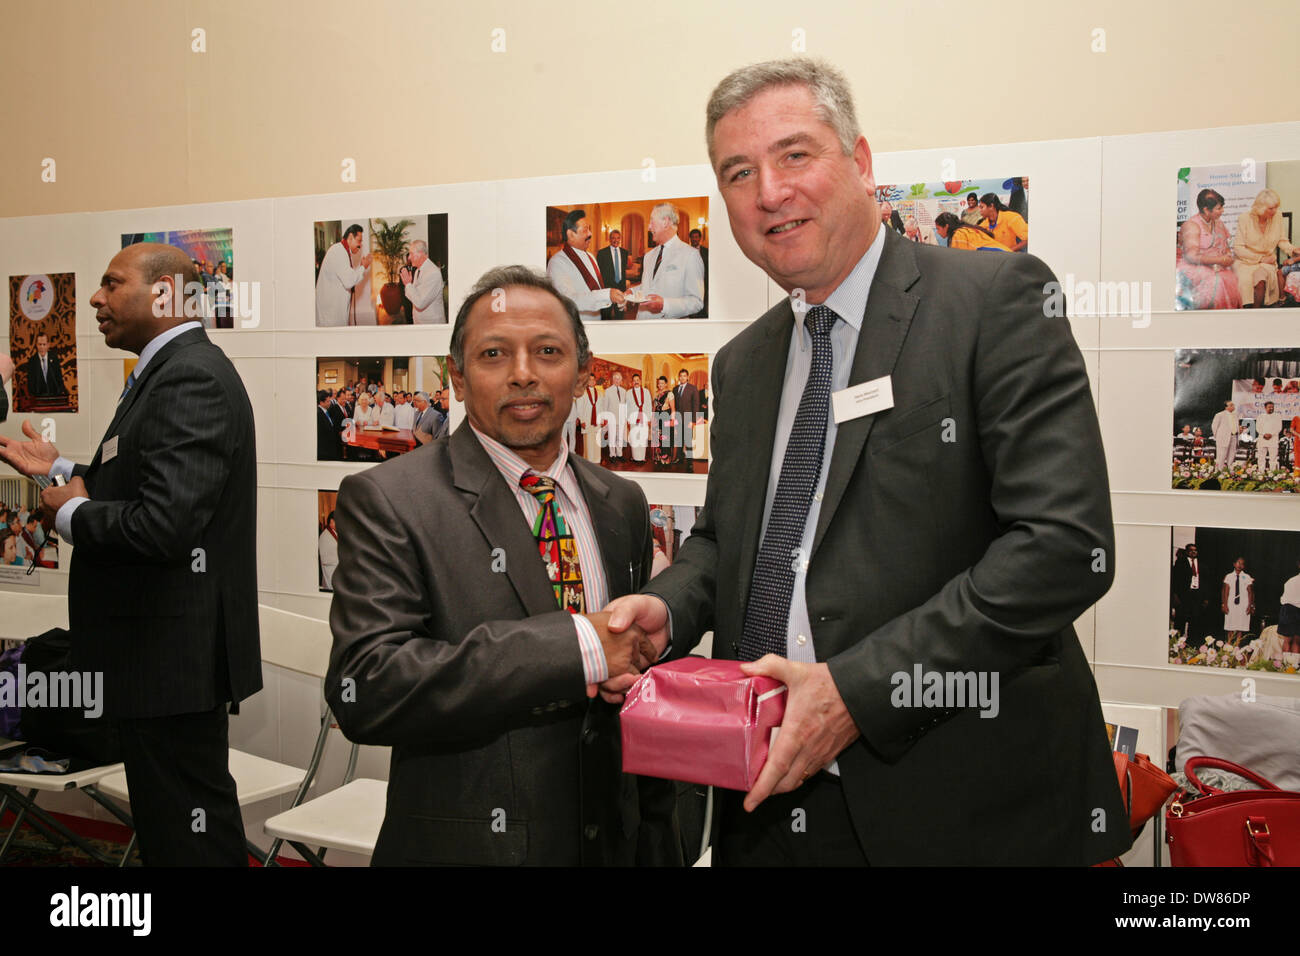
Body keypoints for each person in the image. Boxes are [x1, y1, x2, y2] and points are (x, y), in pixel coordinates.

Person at [600, 57, 1126, 866]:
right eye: (738, 172)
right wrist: (667, 612)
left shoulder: (993, 301)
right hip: (769, 802)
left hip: (965, 805)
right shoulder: (742, 365)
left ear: (863, 162)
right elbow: (724, 542)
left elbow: (1062, 548)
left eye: (795, 155)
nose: (769, 191)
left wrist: (856, 694)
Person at [324, 264, 679, 866]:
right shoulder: (390, 499)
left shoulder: (623, 503)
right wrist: (575, 647)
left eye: (547, 351)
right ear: (458, 379)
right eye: (494, 354)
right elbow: (368, 688)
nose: (523, 374)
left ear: (583, 373)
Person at [0, 243, 260, 865]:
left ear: (166, 293)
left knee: (188, 837)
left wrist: (66, 512)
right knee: (174, 832)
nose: (95, 297)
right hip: (156, 659)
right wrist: (59, 469)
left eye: (112, 283)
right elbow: (138, 480)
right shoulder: (167, 369)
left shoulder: (190, 374)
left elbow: (164, 525)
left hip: (170, 661)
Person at [547, 209, 626, 321]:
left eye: (589, 229)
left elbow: (597, 289)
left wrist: (615, 297)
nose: (590, 233)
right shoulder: (557, 262)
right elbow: (568, 300)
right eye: (585, 230)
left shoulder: (590, 256)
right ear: (571, 234)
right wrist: (607, 295)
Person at [631, 203, 706, 319]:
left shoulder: (690, 255)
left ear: (665, 222)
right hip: (641, 324)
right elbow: (648, 287)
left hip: (669, 331)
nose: (648, 227)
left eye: (651, 222)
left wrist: (664, 305)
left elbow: (696, 302)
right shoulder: (649, 256)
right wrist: (632, 291)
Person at [1176, 188, 1242, 311]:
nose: (1222, 211)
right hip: (1194, 266)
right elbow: (1191, 257)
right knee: (1217, 282)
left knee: (1237, 275)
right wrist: (1219, 260)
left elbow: (1226, 245)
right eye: (1219, 208)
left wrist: (1227, 255)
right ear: (1206, 210)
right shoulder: (1192, 225)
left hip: (1217, 264)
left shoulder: (1218, 223)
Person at [1233, 188, 1299, 308]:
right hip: (1246, 262)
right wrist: (1260, 258)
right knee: (1245, 282)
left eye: (1276, 207)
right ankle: (1247, 312)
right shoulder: (1244, 218)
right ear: (1260, 207)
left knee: (1260, 280)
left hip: (1268, 262)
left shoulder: (1277, 216)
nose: (1274, 211)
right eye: (1271, 208)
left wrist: (1293, 250)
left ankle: (1257, 312)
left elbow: (1282, 240)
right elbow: (1238, 248)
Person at [315, 224, 372, 327]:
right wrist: (363, 267)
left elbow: (348, 275)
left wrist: (361, 267)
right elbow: (349, 281)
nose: (360, 245)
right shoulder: (338, 252)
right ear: (350, 237)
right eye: (359, 241)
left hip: (335, 310)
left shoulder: (343, 251)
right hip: (330, 314)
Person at [400, 239, 446, 324]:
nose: (409, 257)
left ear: (420, 254)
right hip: (420, 322)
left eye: (411, 253)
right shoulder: (418, 270)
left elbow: (420, 303)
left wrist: (408, 284)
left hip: (431, 324)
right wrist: (408, 285)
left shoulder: (433, 273)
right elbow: (413, 295)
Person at [932, 212, 1011, 252]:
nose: (937, 232)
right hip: (1005, 257)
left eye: (938, 229)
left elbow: (960, 262)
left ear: (946, 226)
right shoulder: (966, 230)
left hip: (1001, 260)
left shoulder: (959, 235)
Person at [596, 229, 630, 320]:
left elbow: (623, 270)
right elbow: (598, 272)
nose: (616, 240)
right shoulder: (602, 253)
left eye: (618, 238)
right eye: (613, 238)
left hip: (621, 289)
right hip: (607, 289)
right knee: (605, 316)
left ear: (620, 239)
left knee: (620, 316)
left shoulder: (625, 253)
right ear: (609, 239)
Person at [1171, 543, 1204, 639]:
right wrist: (1175, 595)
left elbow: (1205, 582)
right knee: (1180, 620)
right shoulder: (1180, 562)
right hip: (1184, 596)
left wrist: (1205, 598)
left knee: (1194, 620)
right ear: (1187, 552)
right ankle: (1176, 642)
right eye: (1191, 550)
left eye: (1195, 550)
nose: (1193, 552)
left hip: (1196, 595)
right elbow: (1175, 580)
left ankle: (1191, 643)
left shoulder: (1201, 564)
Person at [1222, 557, 1254, 646]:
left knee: (1240, 627)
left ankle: (1237, 647)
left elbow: (1250, 592)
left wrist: (1250, 605)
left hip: (1243, 605)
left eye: (1242, 564)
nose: (1240, 565)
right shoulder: (1229, 576)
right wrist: (1224, 604)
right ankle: (1229, 646)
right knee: (1230, 626)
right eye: (1238, 563)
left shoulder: (1247, 577)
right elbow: (1225, 592)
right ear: (1234, 564)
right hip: (1231, 604)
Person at [671, 369, 699, 468]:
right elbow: (673, 405)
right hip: (678, 419)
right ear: (679, 377)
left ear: (687, 377)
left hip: (688, 419)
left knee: (688, 442)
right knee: (679, 440)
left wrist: (693, 421)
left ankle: (690, 463)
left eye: (684, 376)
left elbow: (696, 405)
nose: (682, 377)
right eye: (681, 376)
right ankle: (679, 458)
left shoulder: (693, 388)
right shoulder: (675, 389)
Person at [24, 333, 67, 398]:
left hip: (54, 397)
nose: (42, 347)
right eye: (40, 344)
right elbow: (30, 384)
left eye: (44, 344)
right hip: (38, 399)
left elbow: (59, 380)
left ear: (48, 345)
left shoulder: (54, 359)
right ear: (36, 345)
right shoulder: (32, 361)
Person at [601, 371, 628, 462]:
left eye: (619, 379)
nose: (617, 380)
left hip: (621, 418)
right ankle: (612, 455)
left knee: (620, 437)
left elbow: (625, 405)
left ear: (621, 380)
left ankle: (619, 454)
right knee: (612, 437)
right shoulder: (608, 391)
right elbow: (605, 405)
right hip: (611, 418)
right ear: (613, 380)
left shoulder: (624, 391)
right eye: (615, 379)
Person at [626, 372, 653, 463]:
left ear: (640, 381)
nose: (636, 382)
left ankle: (642, 457)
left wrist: (649, 418)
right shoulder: (628, 392)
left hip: (644, 418)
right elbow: (627, 406)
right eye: (634, 381)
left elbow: (649, 405)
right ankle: (635, 457)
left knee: (643, 437)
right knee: (634, 437)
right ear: (632, 382)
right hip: (633, 418)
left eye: (637, 380)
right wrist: (628, 419)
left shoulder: (646, 391)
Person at [652, 374, 676, 466]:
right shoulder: (656, 393)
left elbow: (673, 409)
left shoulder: (670, 394)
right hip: (657, 418)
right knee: (658, 438)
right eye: (659, 383)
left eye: (662, 383)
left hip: (666, 417)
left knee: (666, 439)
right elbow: (654, 407)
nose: (660, 385)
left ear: (666, 384)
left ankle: (666, 459)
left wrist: (672, 420)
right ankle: (658, 457)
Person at [1279, 559, 1300, 656]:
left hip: (1289, 610)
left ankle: (1290, 666)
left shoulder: (1290, 581)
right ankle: (1290, 666)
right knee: (1291, 641)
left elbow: (1283, 599)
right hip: (1289, 610)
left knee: (1294, 641)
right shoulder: (1291, 581)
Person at [1211, 400, 1239, 471]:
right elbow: (1214, 427)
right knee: (1221, 456)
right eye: (1231, 405)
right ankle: (1219, 471)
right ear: (1226, 407)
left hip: (1233, 436)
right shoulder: (1220, 415)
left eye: (1233, 405)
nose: (1233, 406)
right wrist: (1218, 437)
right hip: (1223, 438)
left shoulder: (1235, 415)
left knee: (1232, 455)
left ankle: (1229, 470)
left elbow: (1235, 426)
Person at [1256, 400, 1282, 471]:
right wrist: (1264, 434)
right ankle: (1261, 473)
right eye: (1269, 407)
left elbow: (1279, 428)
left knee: (1273, 458)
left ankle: (1273, 474)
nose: (1271, 408)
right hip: (1262, 439)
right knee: (1261, 457)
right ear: (1265, 408)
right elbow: (1258, 427)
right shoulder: (1260, 416)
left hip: (1273, 439)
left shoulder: (1278, 416)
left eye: (1272, 407)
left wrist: (1271, 434)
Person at [317, 389, 343, 461]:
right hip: (325, 450)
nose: (330, 403)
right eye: (328, 401)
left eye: (330, 401)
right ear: (321, 402)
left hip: (331, 447)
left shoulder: (326, 411)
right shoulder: (318, 414)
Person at [319, 511, 339, 590]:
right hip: (330, 573)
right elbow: (325, 559)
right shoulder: (325, 536)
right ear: (332, 521)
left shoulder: (334, 533)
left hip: (335, 572)